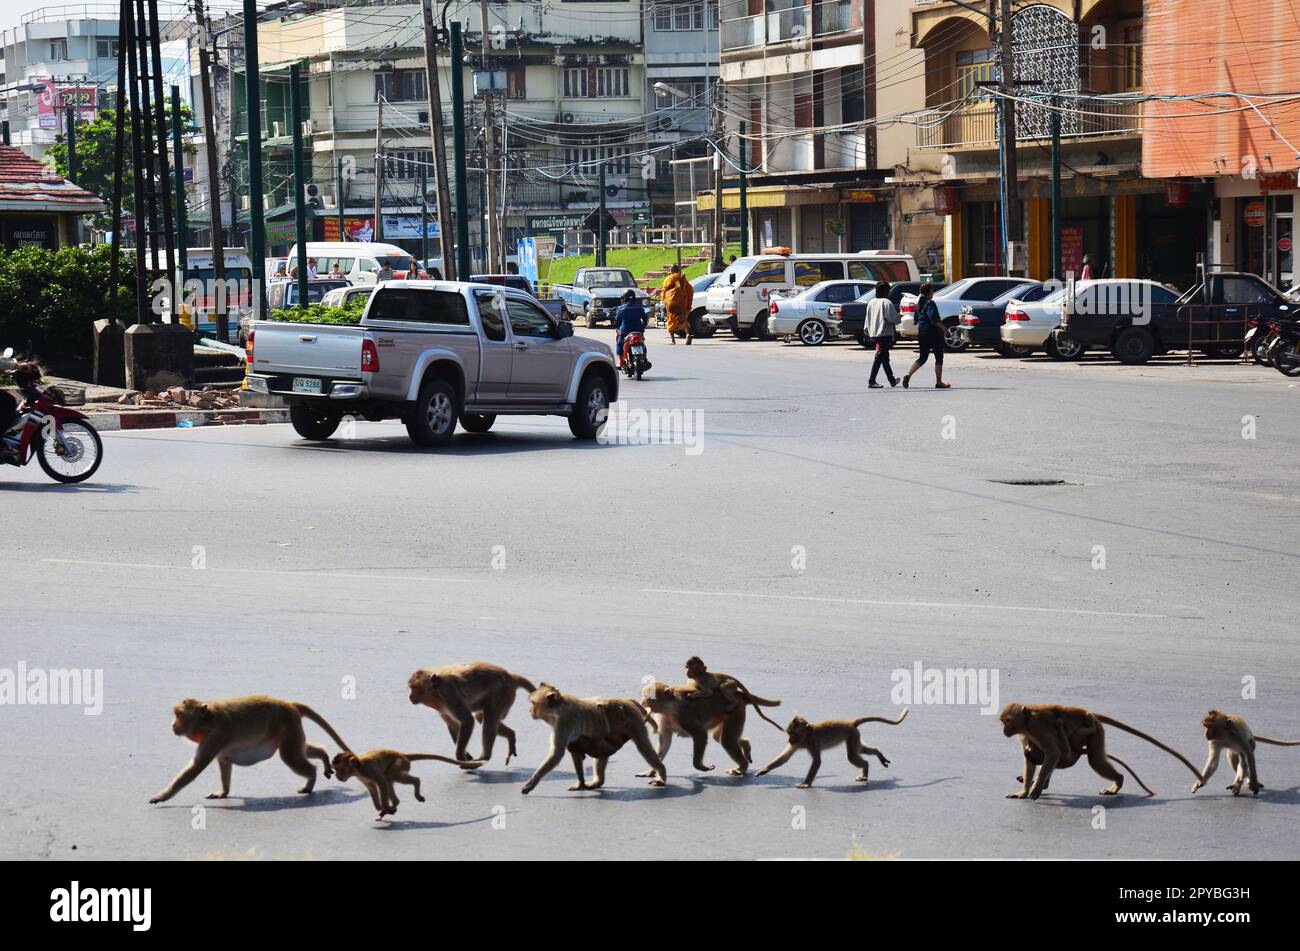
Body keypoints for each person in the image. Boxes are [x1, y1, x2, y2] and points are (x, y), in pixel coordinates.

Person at [902, 283, 950, 389]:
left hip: (922, 333)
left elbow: (916, 320)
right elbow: (934, 319)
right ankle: (939, 382)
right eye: (932, 290)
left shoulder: (920, 304)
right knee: (939, 357)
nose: (933, 293)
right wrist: (945, 329)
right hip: (934, 333)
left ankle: (908, 375)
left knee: (923, 357)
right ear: (930, 292)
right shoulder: (930, 303)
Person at [865, 281, 901, 388]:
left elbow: (867, 318)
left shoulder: (871, 302)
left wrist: (867, 330)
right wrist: (899, 316)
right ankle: (871, 381)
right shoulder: (887, 302)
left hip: (873, 333)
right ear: (886, 291)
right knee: (879, 357)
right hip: (884, 334)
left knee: (884, 358)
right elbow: (894, 319)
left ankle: (892, 380)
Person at [660, 263, 694, 345]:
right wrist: (688, 302)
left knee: (671, 319)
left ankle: (673, 340)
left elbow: (664, 290)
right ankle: (688, 334)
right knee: (683, 318)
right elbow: (690, 290)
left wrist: (663, 299)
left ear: (671, 271)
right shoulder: (683, 279)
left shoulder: (669, 278)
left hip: (672, 302)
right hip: (683, 302)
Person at [614, 289, 647, 368]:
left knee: (619, 344)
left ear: (624, 298)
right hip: (638, 330)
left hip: (625, 331)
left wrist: (617, 328)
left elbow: (617, 321)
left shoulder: (621, 308)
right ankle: (645, 359)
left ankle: (621, 362)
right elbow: (645, 319)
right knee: (643, 344)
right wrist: (643, 327)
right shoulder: (639, 307)